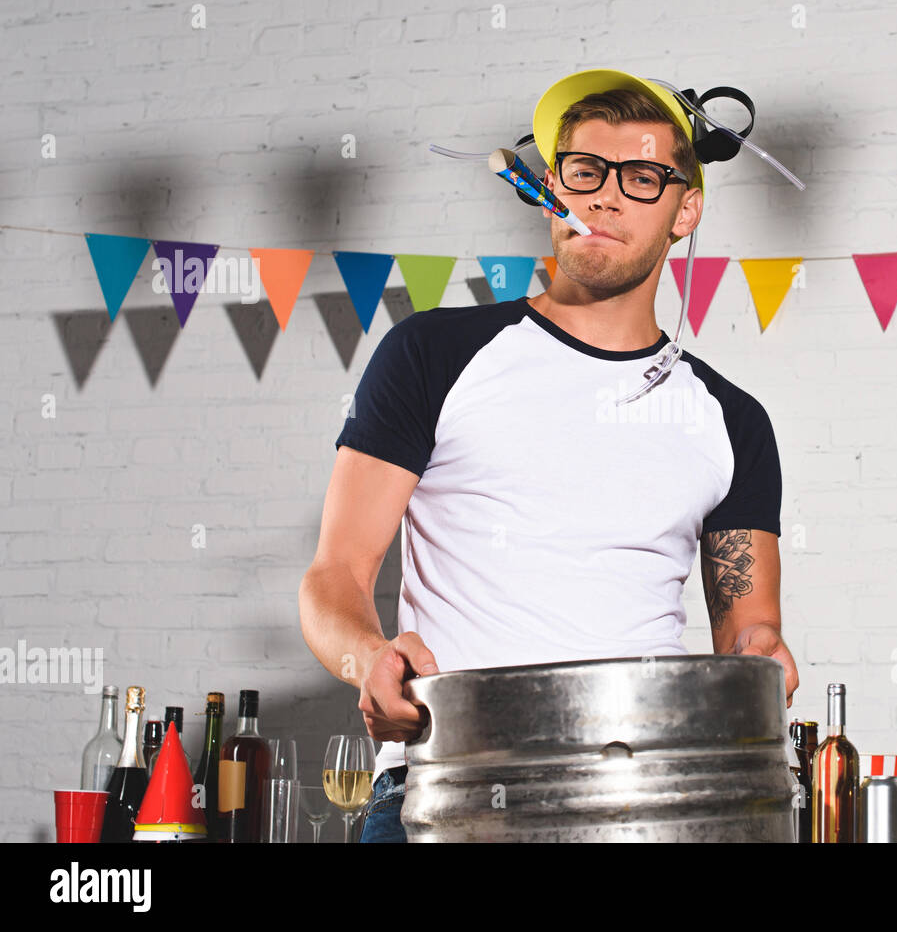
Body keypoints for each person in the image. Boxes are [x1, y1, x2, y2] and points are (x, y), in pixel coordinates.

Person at [298, 69, 798, 842]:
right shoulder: (433, 353)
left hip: (651, 795)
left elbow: (748, 635)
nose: (604, 197)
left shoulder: (731, 420)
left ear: (685, 208)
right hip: (446, 787)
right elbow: (335, 573)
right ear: (550, 189)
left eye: (640, 177)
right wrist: (367, 657)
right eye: (584, 171)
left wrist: (766, 660)